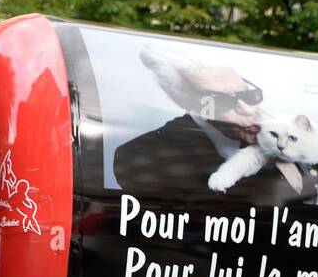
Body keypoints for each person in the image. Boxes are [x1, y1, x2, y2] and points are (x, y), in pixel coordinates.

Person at [112, 43, 301, 205]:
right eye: (224, 101)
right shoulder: (141, 153)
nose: (249, 109)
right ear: (193, 104)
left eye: (248, 94)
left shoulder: (276, 139)